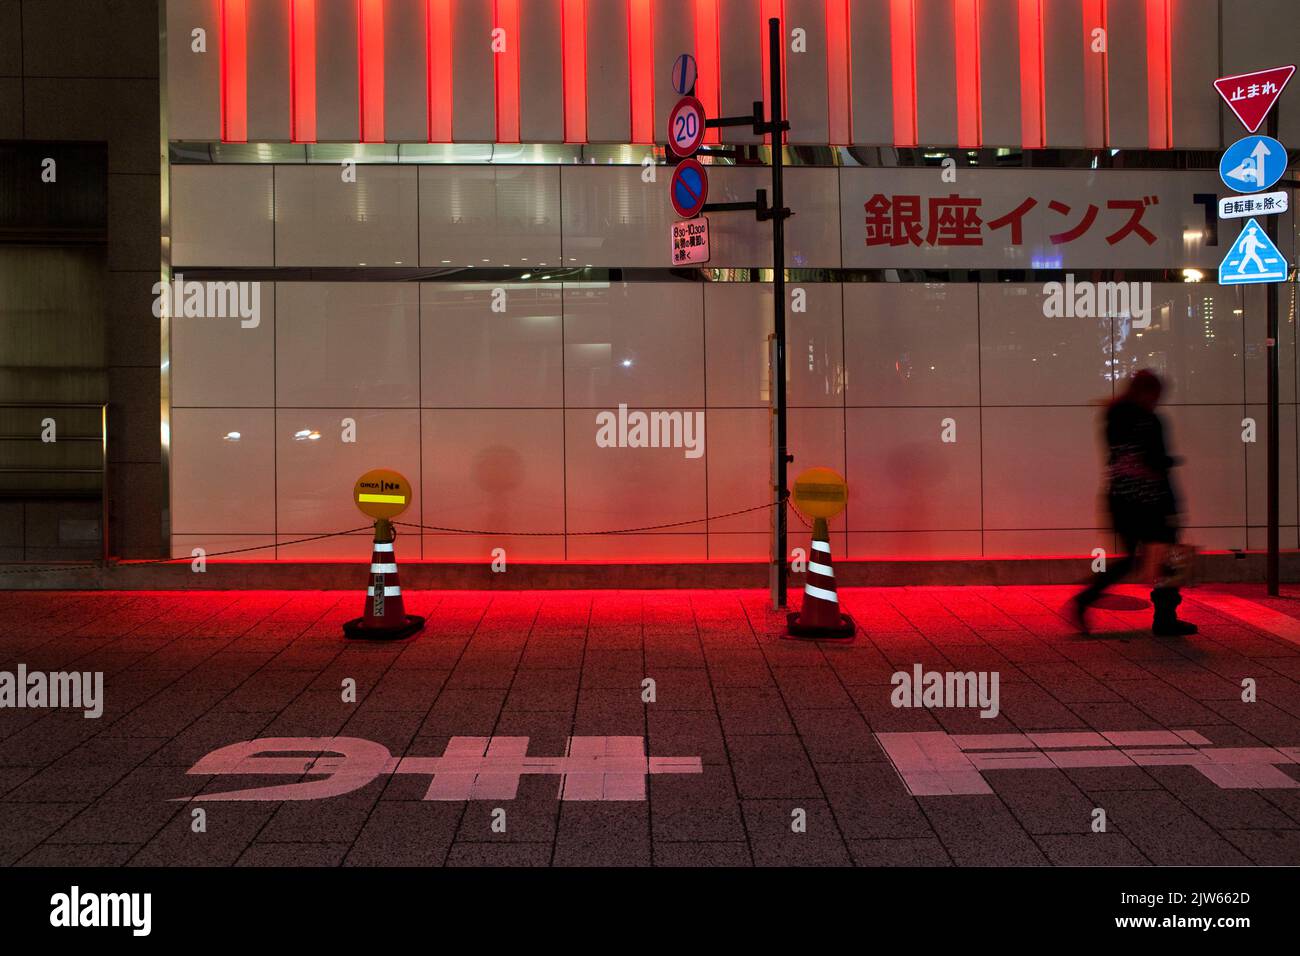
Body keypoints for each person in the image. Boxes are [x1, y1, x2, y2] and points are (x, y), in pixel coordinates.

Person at [1071, 369, 1197, 636]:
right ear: (1148, 393)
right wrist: (1172, 461)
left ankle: (1086, 598)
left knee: (1130, 560)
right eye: (1157, 395)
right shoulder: (1149, 420)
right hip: (1152, 502)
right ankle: (1165, 618)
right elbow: (1156, 462)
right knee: (1167, 559)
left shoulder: (1113, 417)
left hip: (1120, 501)